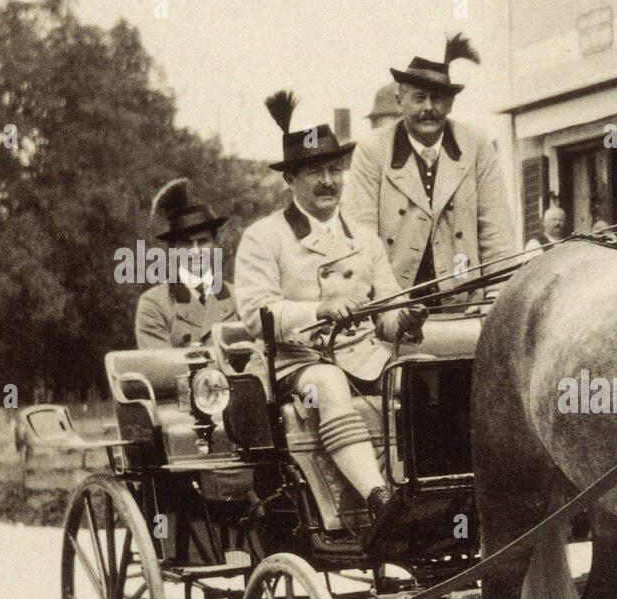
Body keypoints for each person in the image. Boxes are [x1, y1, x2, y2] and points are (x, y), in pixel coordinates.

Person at [236, 90, 425, 533]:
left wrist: (406, 319)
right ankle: (379, 500)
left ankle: (430, 491)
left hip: (365, 358)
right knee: (328, 382)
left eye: (334, 170)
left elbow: (387, 311)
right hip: (294, 368)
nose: (328, 181)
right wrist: (319, 309)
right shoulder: (264, 237)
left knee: (426, 374)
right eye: (314, 172)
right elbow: (255, 312)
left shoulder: (363, 238)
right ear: (291, 180)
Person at [338, 34, 517, 298]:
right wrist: (379, 304)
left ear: (451, 103)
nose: (429, 108)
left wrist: (494, 297)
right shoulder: (373, 150)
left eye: (438, 98)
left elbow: (496, 230)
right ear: (399, 100)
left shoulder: (476, 145)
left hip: (465, 299)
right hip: (394, 302)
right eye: (419, 98)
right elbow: (361, 236)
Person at [135, 179, 237, 349]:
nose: (195, 251)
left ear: (215, 243)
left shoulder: (238, 298)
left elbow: (258, 355)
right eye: (186, 244)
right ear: (173, 249)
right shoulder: (154, 304)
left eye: (203, 241)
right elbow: (159, 363)